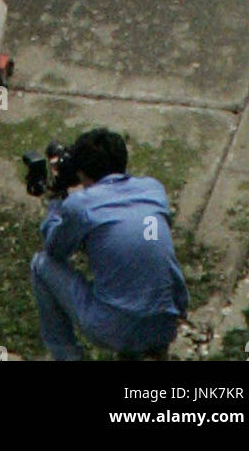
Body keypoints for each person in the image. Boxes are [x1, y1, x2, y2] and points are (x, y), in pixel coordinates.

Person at [30, 127, 189, 360]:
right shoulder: (153, 190)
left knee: (40, 264)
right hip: (164, 324)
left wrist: (55, 201)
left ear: (81, 171)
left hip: (115, 329)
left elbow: (55, 250)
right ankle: (148, 353)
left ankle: (68, 357)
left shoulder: (81, 205)